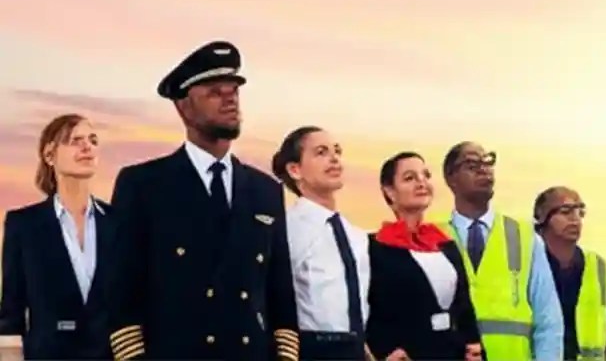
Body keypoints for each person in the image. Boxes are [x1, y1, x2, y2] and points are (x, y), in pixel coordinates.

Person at [104, 40, 299, 361]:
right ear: (183, 106)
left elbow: (280, 296)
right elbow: (121, 295)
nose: (230, 100)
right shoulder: (143, 185)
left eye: (233, 91)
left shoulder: (265, 190)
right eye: (214, 92)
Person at [0, 113, 115, 360]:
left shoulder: (120, 221)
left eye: (93, 140)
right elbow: (12, 311)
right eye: (75, 140)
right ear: (49, 155)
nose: (87, 147)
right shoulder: (23, 225)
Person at [442, 141, 563, 360]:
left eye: (488, 161)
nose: (483, 169)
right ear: (451, 179)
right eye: (472, 164)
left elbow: (548, 321)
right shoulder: (433, 239)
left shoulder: (524, 237)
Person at [366, 151, 482, 361]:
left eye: (426, 175)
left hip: (452, 353)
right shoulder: (374, 248)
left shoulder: (445, 245)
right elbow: (369, 309)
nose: (422, 183)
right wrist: (384, 349)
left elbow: (463, 305)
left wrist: (474, 344)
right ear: (390, 191)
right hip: (409, 354)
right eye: (410, 178)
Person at [271, 126, 371, 361]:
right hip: (312, 349)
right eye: (321, 152)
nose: (335, 158)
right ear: (295, 169)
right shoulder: (286, 230)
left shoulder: (355, 234)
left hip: (356, 348)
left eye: (337, 151)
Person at [533, 187, 606, 361]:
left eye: (580, 212)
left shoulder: (600, 268)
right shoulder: (526, 263)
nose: (575, 219)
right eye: (565, 211)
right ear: (543, 217)